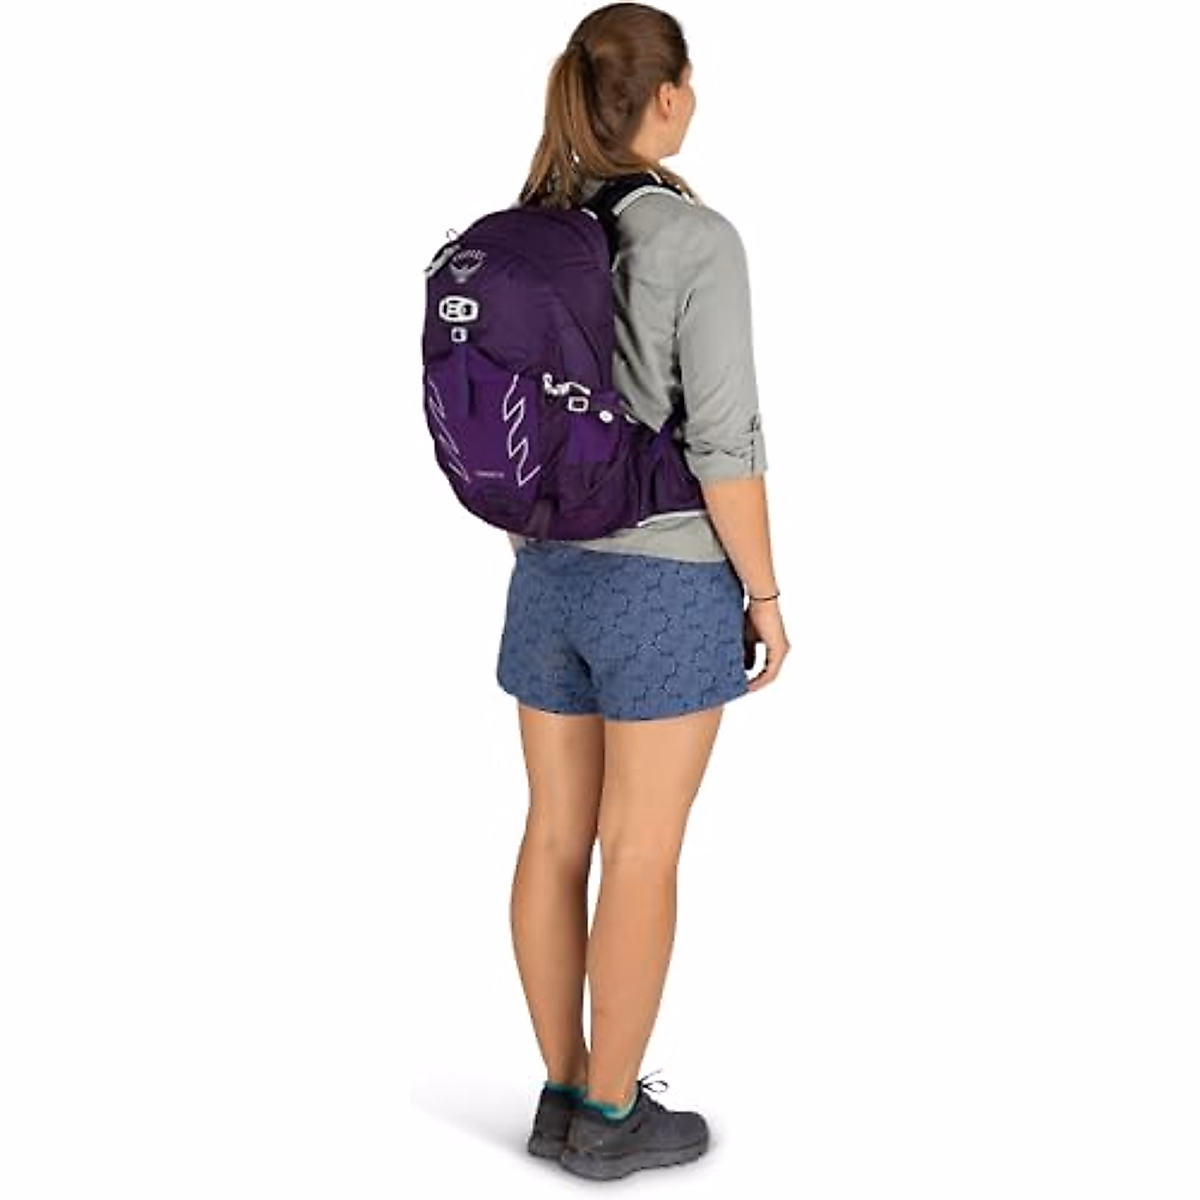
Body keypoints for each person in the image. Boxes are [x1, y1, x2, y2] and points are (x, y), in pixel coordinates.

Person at [494, 2, 790, 1181]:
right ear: (667, 96)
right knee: (642, 849)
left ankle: (564, 1090)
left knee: (554, 834)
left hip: (544, 576)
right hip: (664, 583)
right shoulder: (694, 240)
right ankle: (612, 1119)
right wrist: (765, 595)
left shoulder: (532, 228)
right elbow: (724, 445)